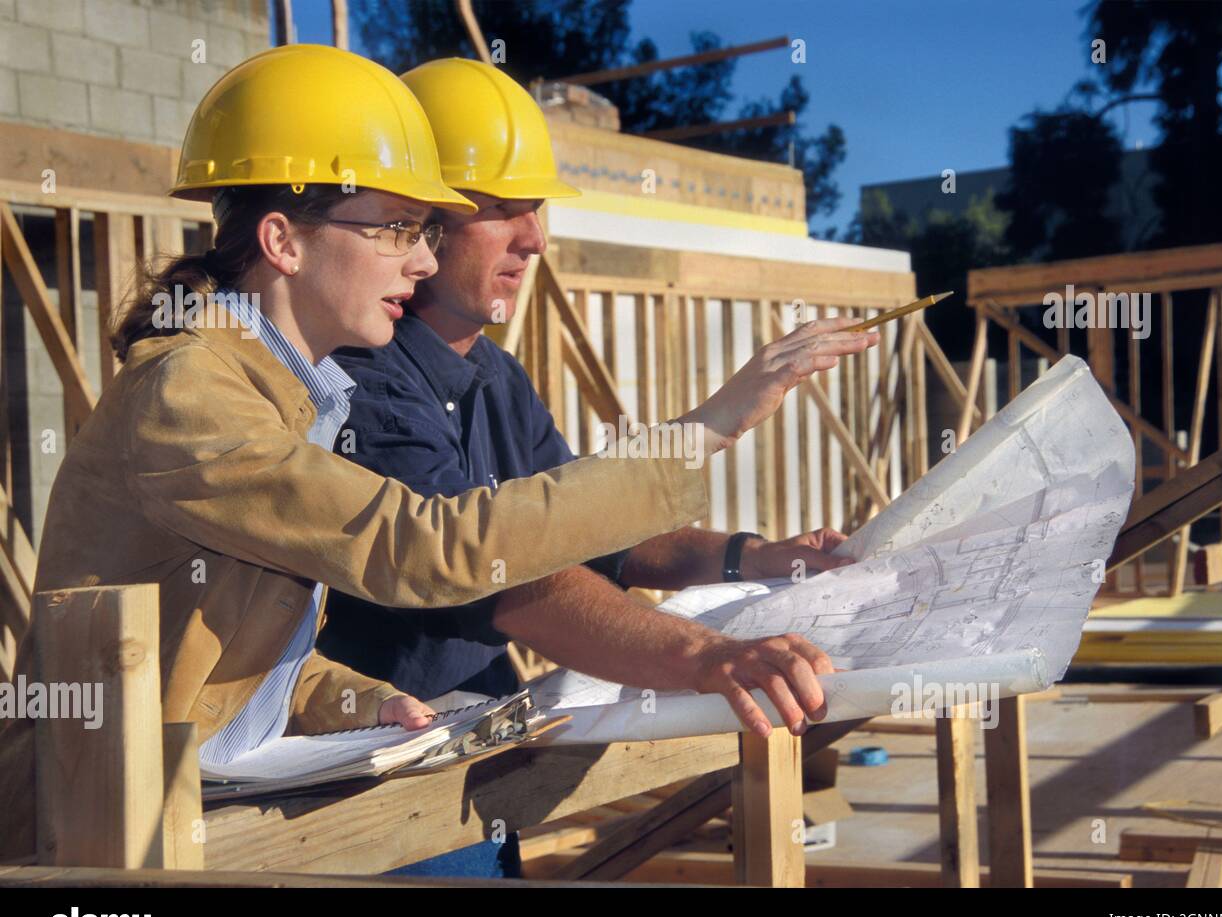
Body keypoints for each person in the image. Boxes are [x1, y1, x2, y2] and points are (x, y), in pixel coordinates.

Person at [0, 45, 873, 860]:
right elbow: (426, 546)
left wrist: (350, 700)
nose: (420, 259)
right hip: (95, 835)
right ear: (282, 240)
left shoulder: (285, 387)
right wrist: (705, 430)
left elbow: (222, 659)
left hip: (173, 805)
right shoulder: (190, 392)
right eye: (394, 229)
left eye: (426, 229)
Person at [319, 59, 877, 877]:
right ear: (420, 218)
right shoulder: (364, 382)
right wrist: (704, 658)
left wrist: (749, 555)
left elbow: (594, 531)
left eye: (535, 207)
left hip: (470, 770)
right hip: (367, 799)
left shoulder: (493, 376)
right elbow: (511, 586)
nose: (535, 237)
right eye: (503, 209)